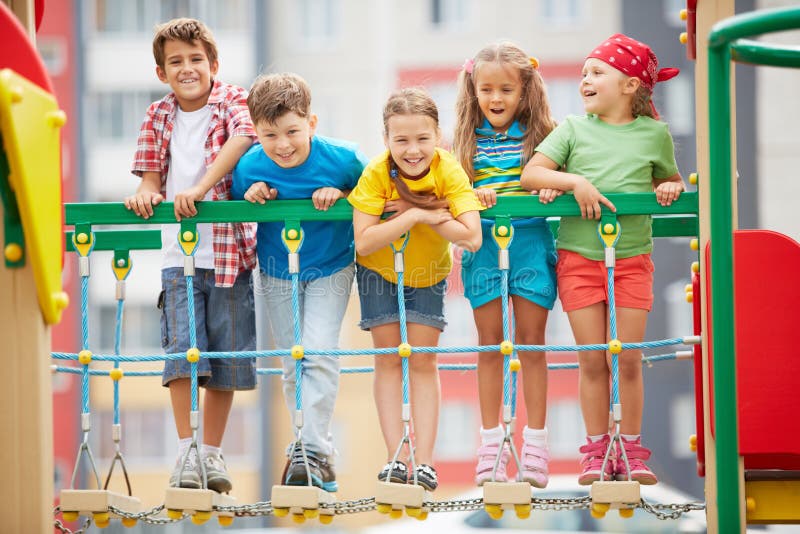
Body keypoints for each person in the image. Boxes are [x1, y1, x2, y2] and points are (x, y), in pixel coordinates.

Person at [520, 33, 685, 486]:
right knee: (593, 358)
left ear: (630, 85)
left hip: (632, 259)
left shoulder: (653, 133)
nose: (585, 81)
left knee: (628, 358)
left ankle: (629, 448)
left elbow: (668, 180)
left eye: (596, 73)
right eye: (583, 74)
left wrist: (669, 188)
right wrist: (573, 182)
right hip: (580, 259)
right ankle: (596, 450)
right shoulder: (573, 129)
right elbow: (532, 174)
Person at [125, 18, 258, 494]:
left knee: (223, 355)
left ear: (213, 65)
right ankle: (186, 451)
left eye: (196, 59)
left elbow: (246, 138)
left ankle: (213, 453)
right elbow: (149, 177)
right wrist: (145, 191)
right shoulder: (157, 114)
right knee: (183, 352)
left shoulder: (231, 100)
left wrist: (201, 187)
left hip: (227, 251)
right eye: (175, 62)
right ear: (162, 72)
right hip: (178, 256)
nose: (187, 69)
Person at [231, 73, 368, 492]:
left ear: (312, 122)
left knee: (320, 352)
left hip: (331, 265)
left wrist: (342, 197)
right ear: (256, 132)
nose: (283, 145)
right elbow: (237, 203)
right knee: (293, 361)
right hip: (276, 269)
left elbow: (373, 196)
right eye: (270, 135)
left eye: (292, 131)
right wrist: (251, 194)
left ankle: (312, 451)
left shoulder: (343, 159)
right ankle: (308, 448)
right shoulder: (250, 165)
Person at [348, 88, 483, 491]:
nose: (412, 150)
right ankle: (397, 458)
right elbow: (364, 241)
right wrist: (417, 215)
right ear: (387, 139)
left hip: (427, 273)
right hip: (378, 273)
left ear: (437, 135)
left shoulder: (448, 169)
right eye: (400, 140)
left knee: (423, 361)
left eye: (422, 139)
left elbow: (472, 236)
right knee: (388, 360)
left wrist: (419, 214)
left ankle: (424, 461)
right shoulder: (376, 172)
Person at [453, 41, 558, 488]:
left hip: (531, 242)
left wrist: (555, 189)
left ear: (524, 91)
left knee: (531, 342)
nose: (496, 99)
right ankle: (491, 442)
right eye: (487, 90)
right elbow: (448, 190)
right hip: (483, 248)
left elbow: (562, 175)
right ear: (474, 91)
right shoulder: (464, 141)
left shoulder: (545, 136)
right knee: (490, 342)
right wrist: (469, 198)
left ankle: (535, 442)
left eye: (506, 90)